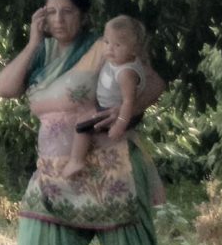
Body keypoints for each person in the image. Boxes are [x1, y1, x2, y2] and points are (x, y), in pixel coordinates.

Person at [0, 0, 167, 245]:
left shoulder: (102, 48)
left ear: (83, 15)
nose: (59, 19)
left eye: (67, 11)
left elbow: (152, 83)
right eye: (51, 11)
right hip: (56, 170)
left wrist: (121, 114)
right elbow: (6, 88)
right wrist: (31, 41)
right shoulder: (41, 55)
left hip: (110, 167)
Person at [63, 15, 159, 178]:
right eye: (107, 43)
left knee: (82, 124)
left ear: (134, 49)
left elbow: (129, 102)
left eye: (117, 45)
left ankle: (76, 160)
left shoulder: (126, 73)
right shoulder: (117, 60)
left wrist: (120, 125)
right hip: (108, 106)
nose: (109, 49)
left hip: (118, 112)